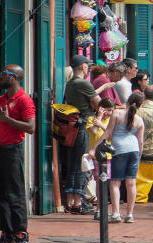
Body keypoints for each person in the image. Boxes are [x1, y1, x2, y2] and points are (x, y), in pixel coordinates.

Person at [0, 63, 35, 243]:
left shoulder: (24, 100)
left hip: (12, 151)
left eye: (3, 74)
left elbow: (31, 127)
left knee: (14, 193)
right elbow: (1, 124)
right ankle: (6, 234)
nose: (0, 76)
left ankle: (21, 234)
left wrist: (8, 121)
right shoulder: (1, 100)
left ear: (13, 78)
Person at [62, 57, 100, 214]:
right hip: (82, 125)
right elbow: (98, 103)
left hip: (71, 126)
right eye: (88, 67)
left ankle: (70, 202)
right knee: (81, 163)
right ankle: (78, 203)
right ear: (83, 66)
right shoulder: (84, 83)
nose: (88, 70)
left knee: (72, 163)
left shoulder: (69, 83)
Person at [101, 92, 145, 223]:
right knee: (131, 183)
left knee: (115, 182)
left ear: (127, 101)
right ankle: (130, 214)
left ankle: (116, 213)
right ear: (140, 105)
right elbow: (141, 142)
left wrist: (95, 147)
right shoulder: (139, 120)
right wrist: (139, 156)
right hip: (134, 151)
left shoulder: (117, 114)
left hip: (119, 150)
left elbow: (108, 132)